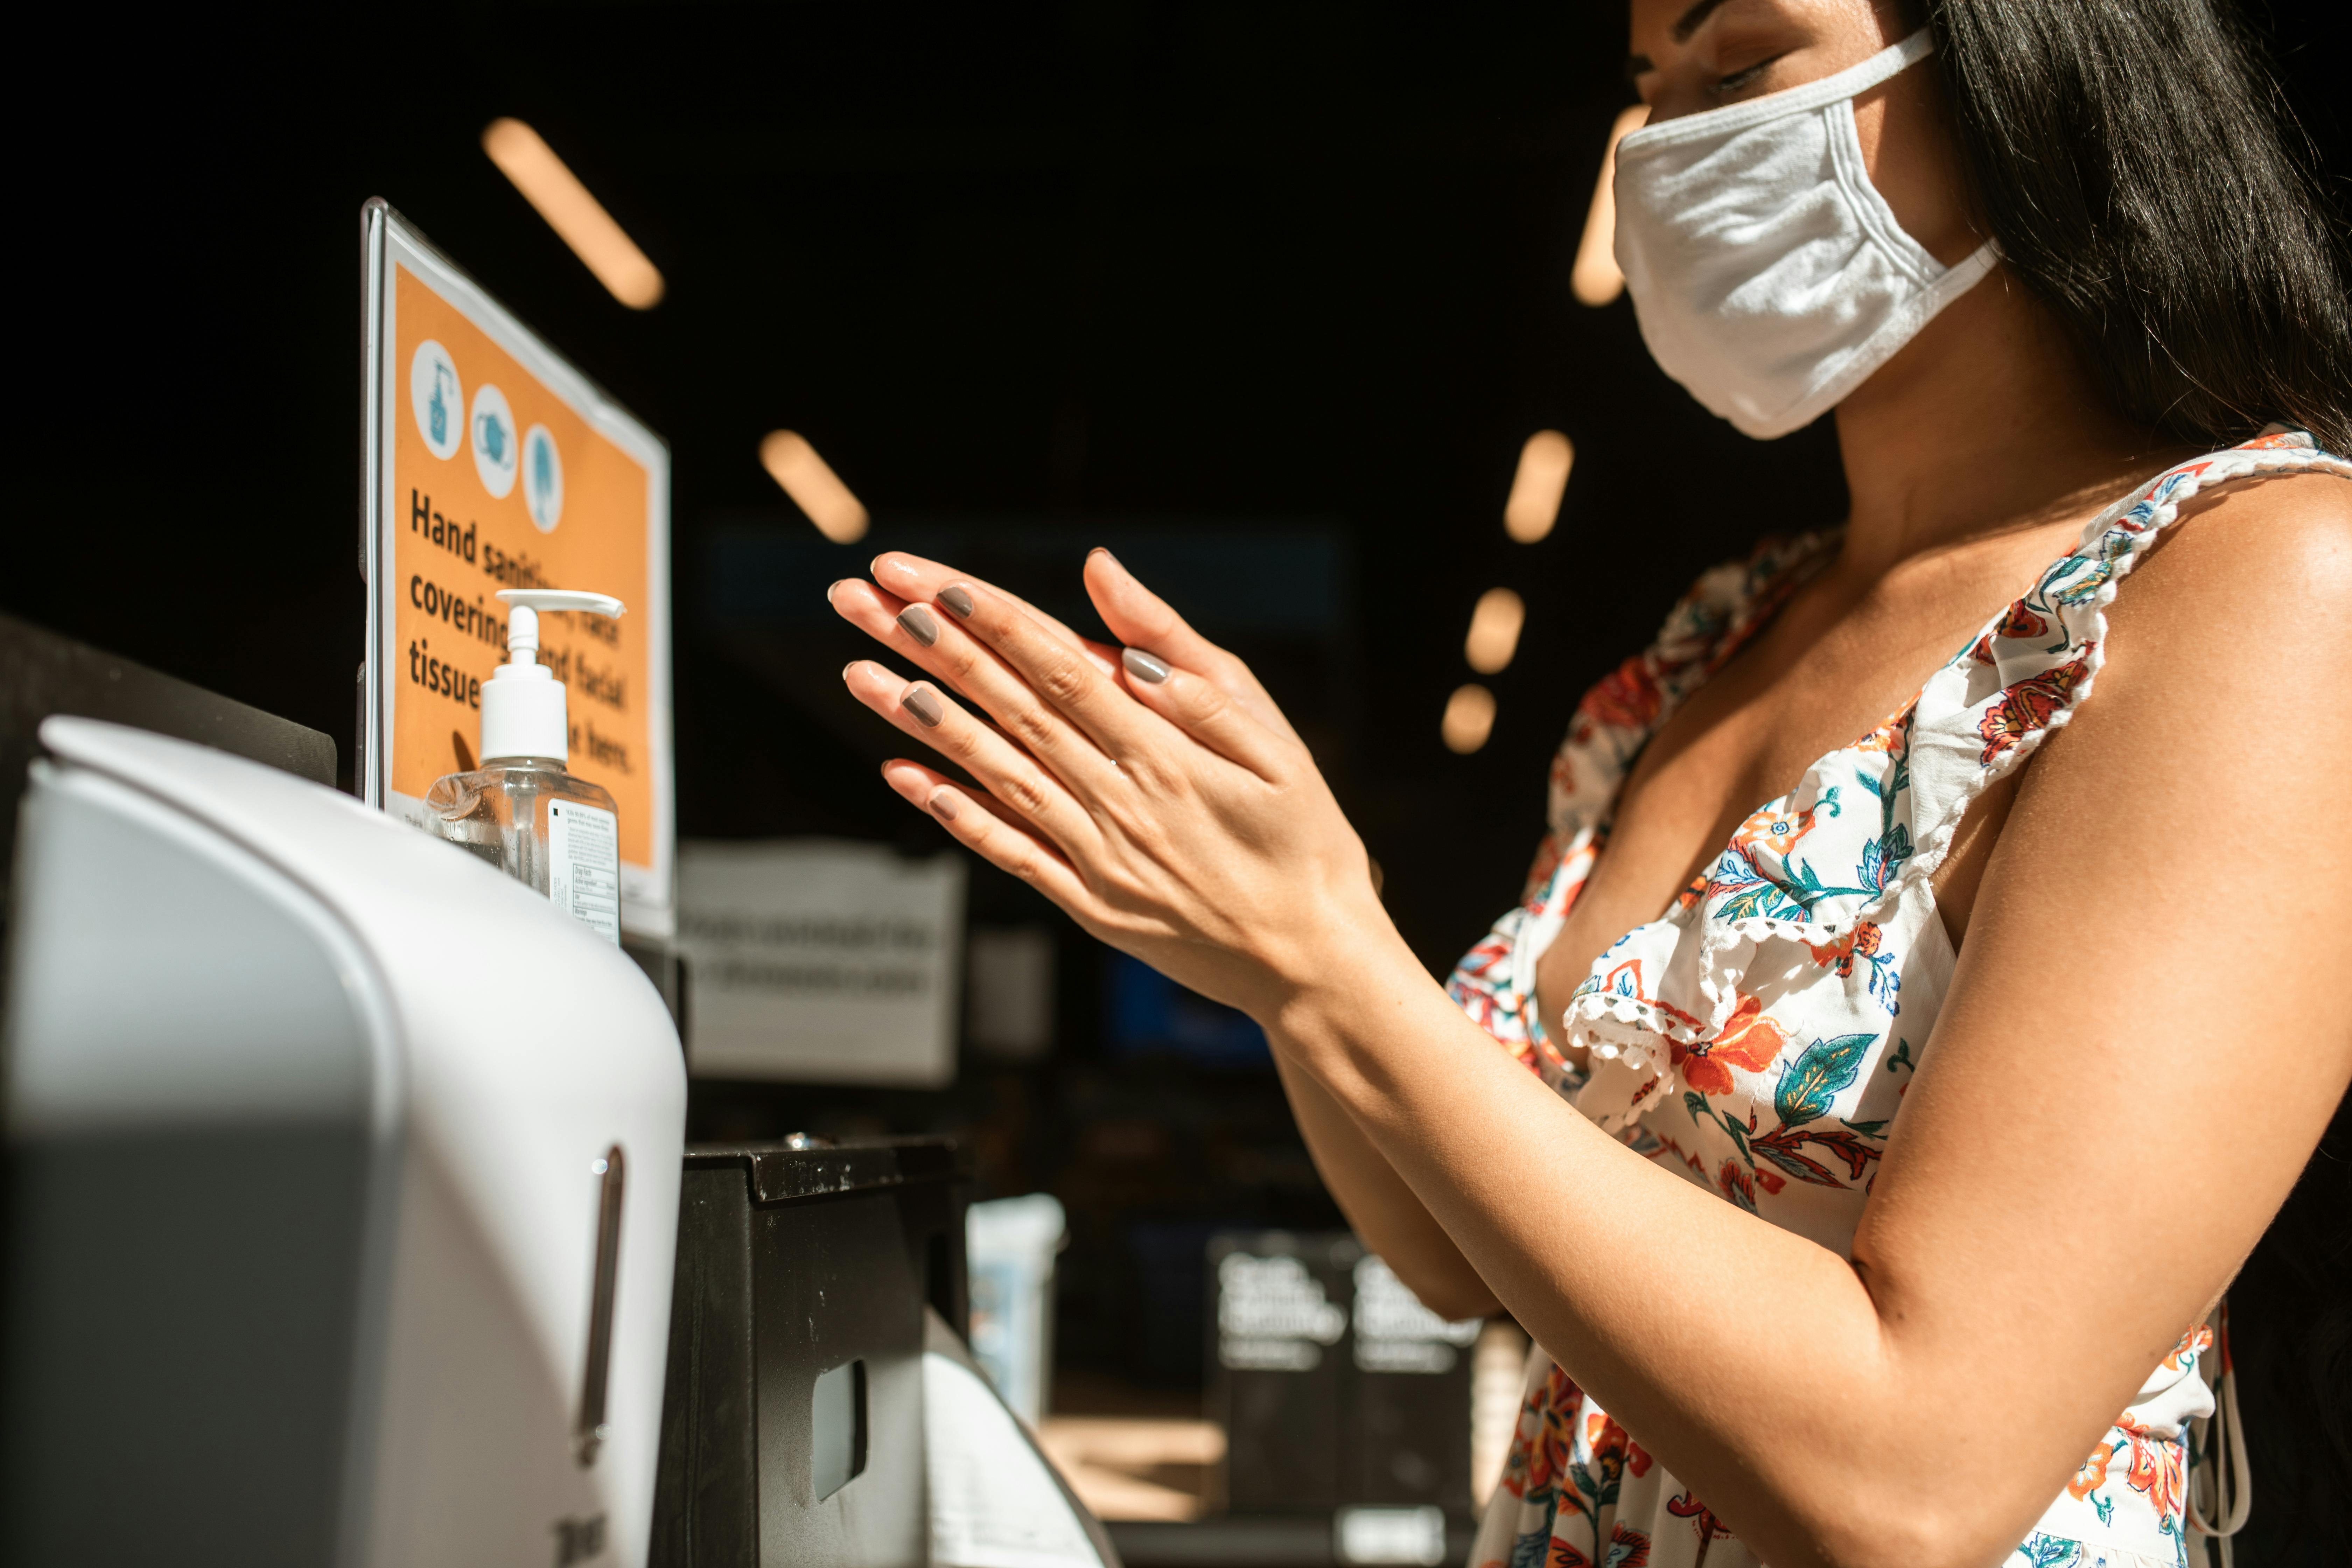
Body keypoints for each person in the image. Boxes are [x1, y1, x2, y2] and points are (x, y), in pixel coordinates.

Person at [826, 0, 2352, 1561]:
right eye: (1647, 88)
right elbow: (1452, 1251)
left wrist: (1333, 967)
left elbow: (1916, 1474)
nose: (1670, 145)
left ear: (2028, 67)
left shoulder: (2257, 588)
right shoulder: (1711, 643)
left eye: (1743, 62)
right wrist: (1284, 947)